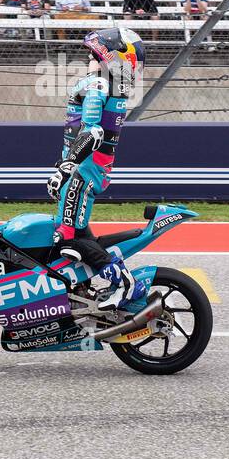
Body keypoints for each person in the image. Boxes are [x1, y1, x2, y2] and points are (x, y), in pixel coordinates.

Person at [45, 27, 147, 311]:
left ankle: (125, 283)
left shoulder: (98, 85)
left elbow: (92, 134)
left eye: (92, 56)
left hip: (82, 174)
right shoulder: (108, 86)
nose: (88, 61)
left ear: (111, 61)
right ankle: (81, 293)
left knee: (69, 239)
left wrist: (65, 170)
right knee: (77, 237)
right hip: (86, 170)